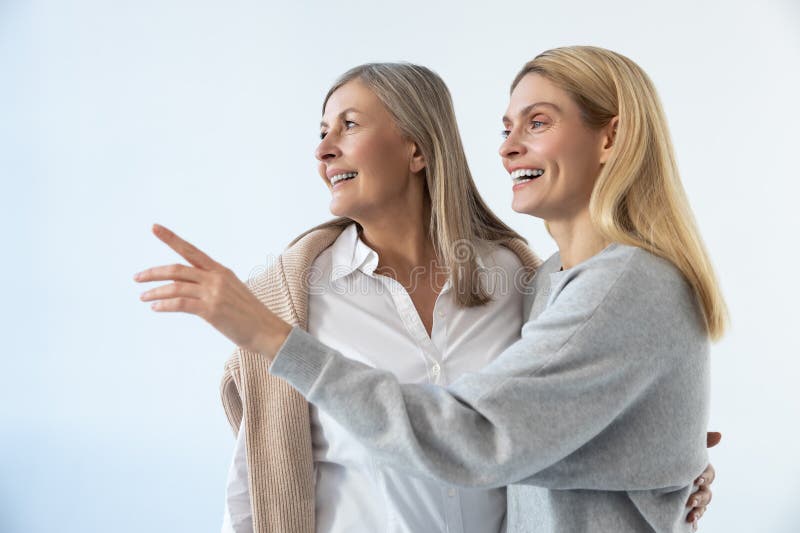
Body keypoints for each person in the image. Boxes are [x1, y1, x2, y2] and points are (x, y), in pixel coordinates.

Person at [134, 51, 719, 532]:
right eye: (508, 127)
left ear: (417, 148)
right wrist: (663, 454)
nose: (323, 148)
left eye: (350, 125)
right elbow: (256, 485)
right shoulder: (289, 298)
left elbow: (484, 435)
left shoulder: (517, 281)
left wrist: (668, 458)